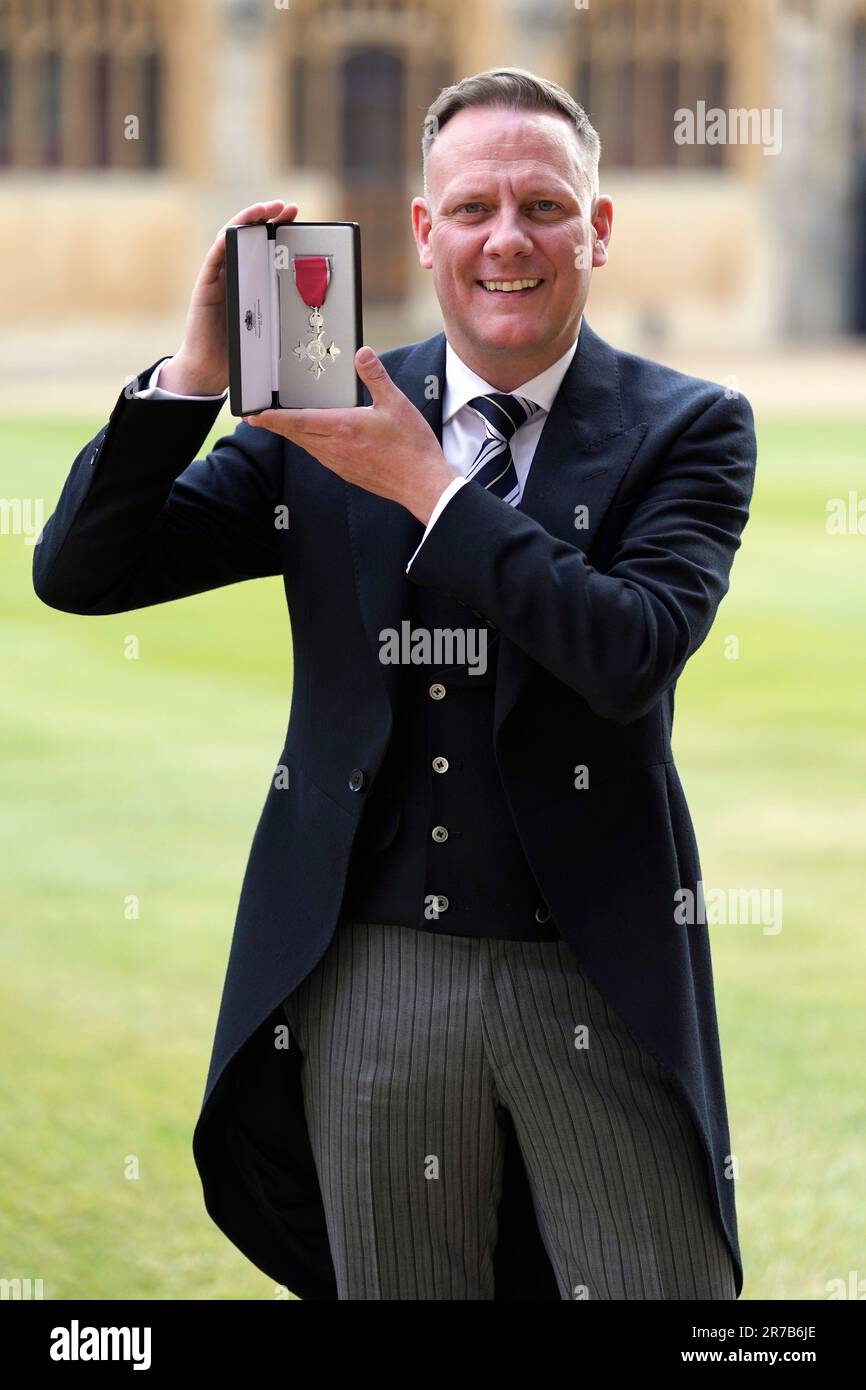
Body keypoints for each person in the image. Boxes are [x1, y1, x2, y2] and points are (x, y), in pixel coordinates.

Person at [33, 67, 757, 1300]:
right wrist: (196, 379)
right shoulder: (324, 416)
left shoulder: (686, 425)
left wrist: (432, 491)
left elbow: (628, 651)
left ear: (597, 225)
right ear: (424, 234)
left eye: (542, 205)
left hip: (588, 965)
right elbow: (83, 573)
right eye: (472, 208)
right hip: (371, 974)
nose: (507, 239)